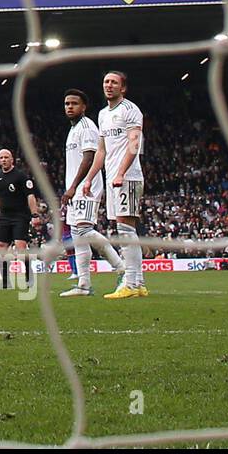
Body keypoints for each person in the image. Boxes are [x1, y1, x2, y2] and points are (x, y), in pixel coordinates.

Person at [84, 71, 148, 299]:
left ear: (123, 88)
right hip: (112, 177)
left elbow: (134, 144)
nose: (109, 85)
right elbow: (101, 150)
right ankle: (138, 282)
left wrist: (121, 172)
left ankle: (130, 283)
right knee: (126, 229)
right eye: (106, 82)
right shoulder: (103, 114)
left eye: (114, 82)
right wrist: (90, 177)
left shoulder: (130, 110)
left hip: (127, 176)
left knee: (125, 229)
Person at [59, 89, 124, 298]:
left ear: (83, 107)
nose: (70, 107)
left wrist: (74, 186)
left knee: (84, 231)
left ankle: (121, 267)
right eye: (67, 103)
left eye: (74, 103)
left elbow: (89, 158)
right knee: (78, 235)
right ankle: (84, 284)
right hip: (76, 188)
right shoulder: (73, 129)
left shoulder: (86, 127)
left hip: (86, 187)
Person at [0, 149, 38, 290]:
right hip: (4, 216)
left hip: (20, 216)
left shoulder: (21, 176)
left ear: (12, 159)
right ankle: (6, 282)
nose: (4, 160)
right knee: (0, 248)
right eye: (1, 158)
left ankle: (29, 278)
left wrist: (34, 215)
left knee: (20, 247)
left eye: (6, 157)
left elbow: (30, 196)